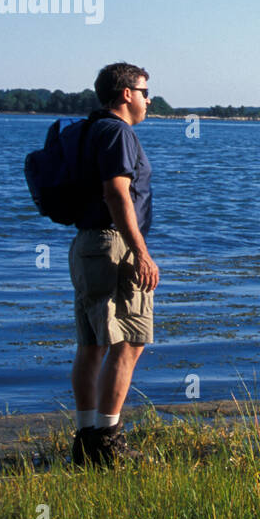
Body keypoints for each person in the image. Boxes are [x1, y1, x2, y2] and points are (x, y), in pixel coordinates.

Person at [69, 62, 159, 466]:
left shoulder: (89, 129)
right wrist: (140, 251)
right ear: (126, 93)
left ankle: (87, 438)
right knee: (129, 340)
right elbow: (117, 193)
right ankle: (107, 440)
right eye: (144, 90)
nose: (148, 98)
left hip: (86, 244)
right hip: (112, 245)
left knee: (91, 345)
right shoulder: (119, 132)